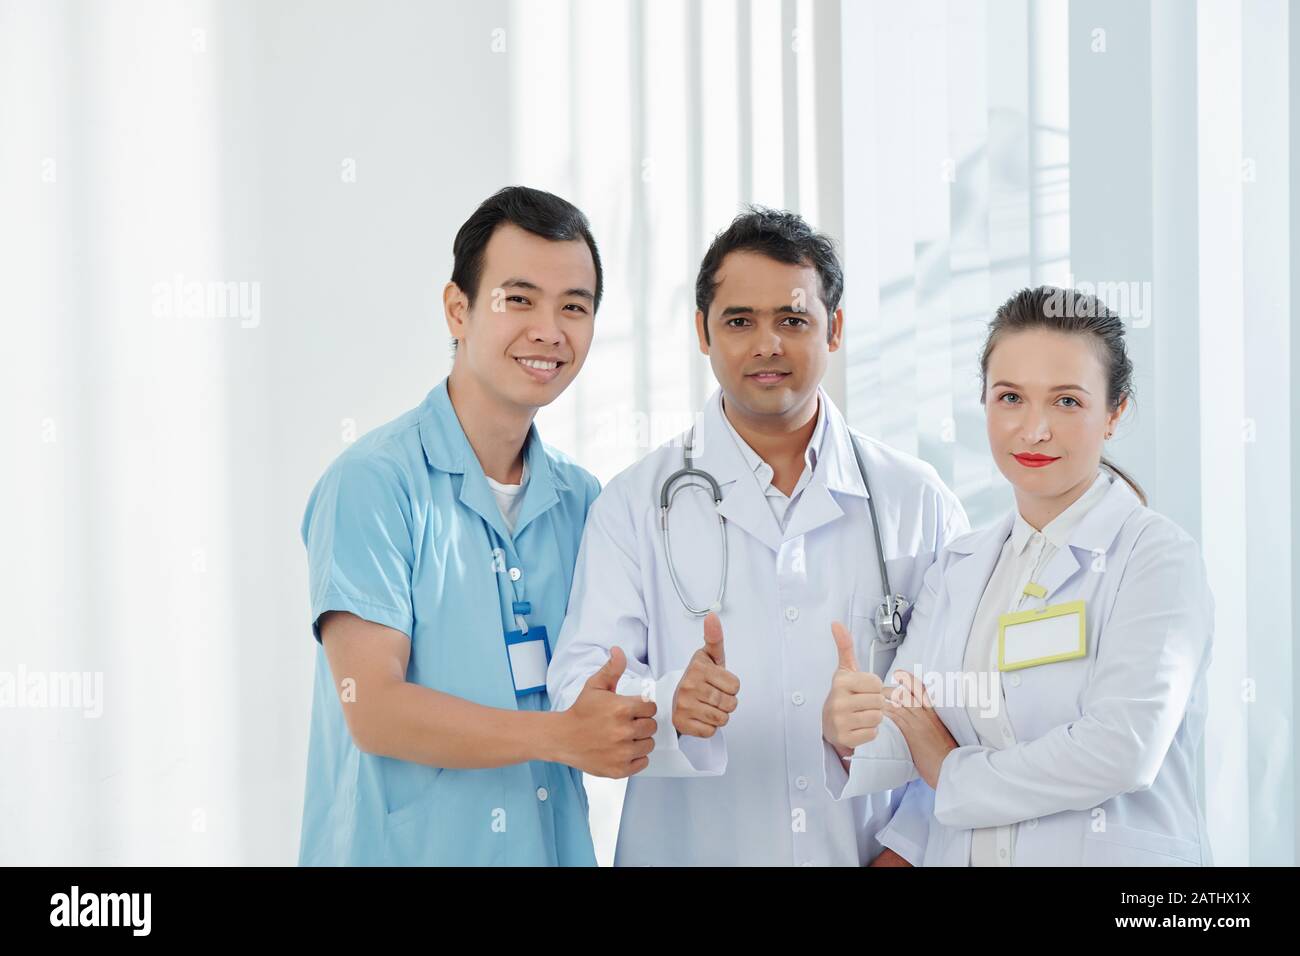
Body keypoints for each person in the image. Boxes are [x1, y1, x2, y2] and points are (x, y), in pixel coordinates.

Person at [546, 207, 968, 866]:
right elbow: (578, 689)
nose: (767, 344)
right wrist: (665, 706)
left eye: (793, 320)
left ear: (836, 331)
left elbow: (966, 711)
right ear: (702, 333)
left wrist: (911, 848)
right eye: (739, 321)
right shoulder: (632, 504)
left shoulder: (917, 503)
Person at [298, 186, 656, 866]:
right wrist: (558, 736)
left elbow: (611, 683)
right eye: (517, 299)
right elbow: (372, 707)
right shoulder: (373, 483)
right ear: (457, 309)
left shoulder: (587, 503)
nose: (549, 330)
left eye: (573, 307)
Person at [822, 286, 1214, 866]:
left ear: (1115, 412)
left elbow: (1122, 748)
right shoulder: (959, 569)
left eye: (1067, 402)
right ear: (983, 401)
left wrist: (953, 772)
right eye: (1010, 397)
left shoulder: (1155, 558)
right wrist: (847, 725)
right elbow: (903, 732)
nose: (1034, 430)